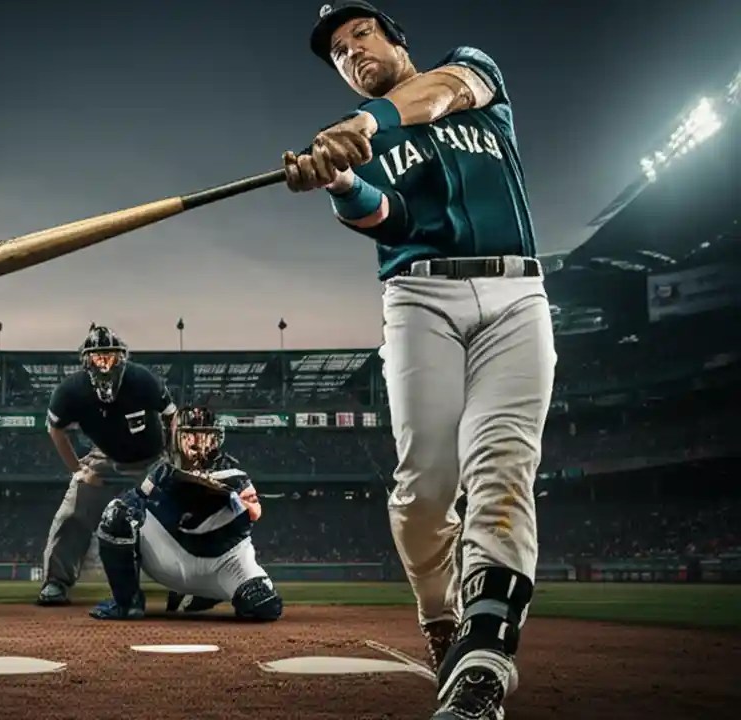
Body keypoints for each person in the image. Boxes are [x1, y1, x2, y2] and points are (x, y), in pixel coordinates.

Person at [290, 3, 556, 717]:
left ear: (394, 37)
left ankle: (485, 658)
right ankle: (438, 613)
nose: (353, 53)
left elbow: (440, 94)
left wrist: (366, 124)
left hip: (515, 293)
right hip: (419, 300)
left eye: (361, 36)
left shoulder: (471, 74)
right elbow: (394, 220)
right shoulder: (363, 144)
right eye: (340, 53)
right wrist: (342, 184)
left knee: (501, 467)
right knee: (427, 483)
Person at [89, 406, 281, 622]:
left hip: (226, 562)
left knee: (264, 607)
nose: (198, 442)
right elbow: (131, 504)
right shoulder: (161, 471)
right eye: (190, 434)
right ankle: (126, 604)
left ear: (216, 439)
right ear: (175, 438)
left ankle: (201, 595)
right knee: (116, 515)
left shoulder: (232, 473)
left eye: (205, 435)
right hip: (171, 555)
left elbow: (254, 512)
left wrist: (221, 489)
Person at [36, 325, 177, 606]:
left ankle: (189, 581)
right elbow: (55, 429)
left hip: (151, 459)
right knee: (74, 507)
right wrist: (78, 471)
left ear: (121, 358)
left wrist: (173, 460)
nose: (104, 363)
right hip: (105, 457)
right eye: (98, 357)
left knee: (178, 509)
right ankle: (56, 580)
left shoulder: (141, 380)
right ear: (87, 360)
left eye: (110, 356)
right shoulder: (71, 391)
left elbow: (172, 417)